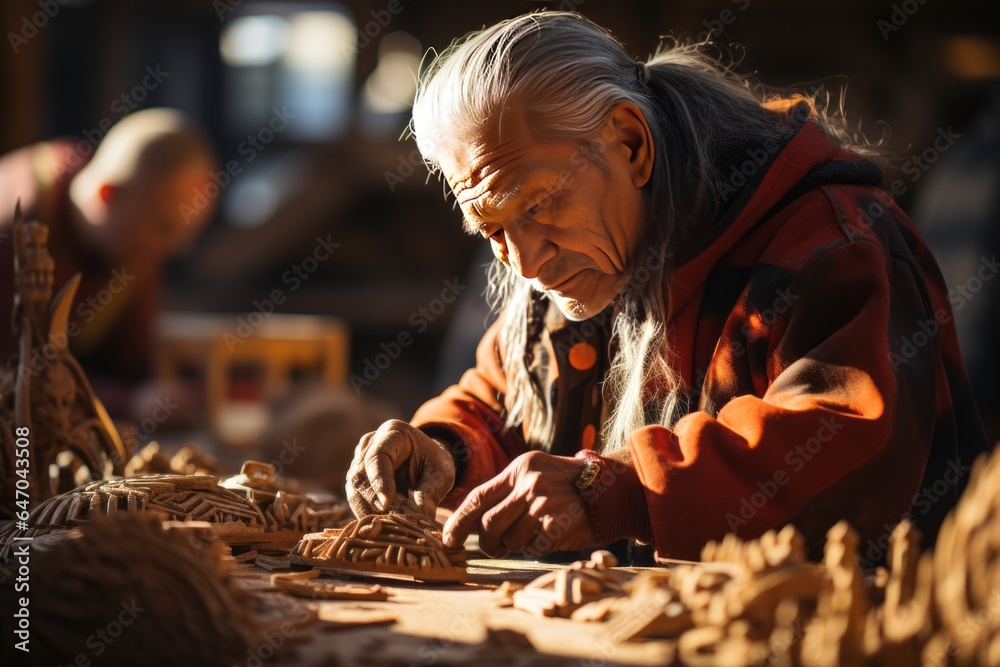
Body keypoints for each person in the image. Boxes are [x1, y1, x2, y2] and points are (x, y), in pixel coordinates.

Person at [345, 12, 990, 564]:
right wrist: (445, 450)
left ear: (630, 144)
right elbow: (509, 399)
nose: (526, 265)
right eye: (491, 228)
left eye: (538, 204)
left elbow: (845, 442)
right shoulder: (580, 255)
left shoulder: (827, 242)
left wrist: (623, 490)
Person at [0, 108, 218, 418]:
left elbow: (132, 363)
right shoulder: (17, 219)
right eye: (163, 228)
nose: (168, 249)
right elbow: (15, 377)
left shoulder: (128, 248)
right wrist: (128, 402)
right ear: (107, 195)